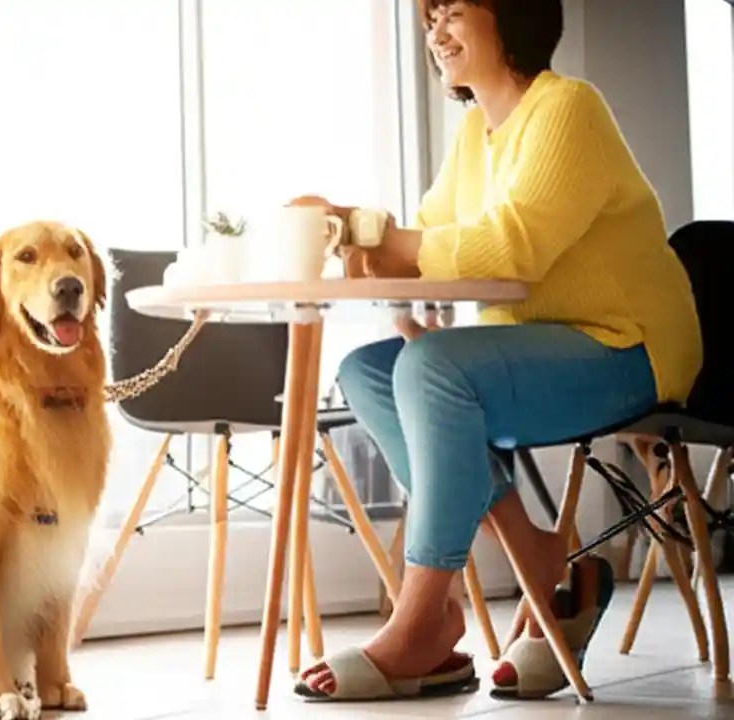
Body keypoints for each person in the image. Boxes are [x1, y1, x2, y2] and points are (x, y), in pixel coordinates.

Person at [289, 0, 702, 702]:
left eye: (452, 13)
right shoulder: (475, 139)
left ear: (510, 16)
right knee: (369, 373)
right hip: (538, 350)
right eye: (429, 21)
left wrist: (397, 246)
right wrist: (363, 240)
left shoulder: (568, 109)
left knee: (431, 368)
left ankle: (423, 617)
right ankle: (534, 555)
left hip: (626, 346)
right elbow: (427, 239)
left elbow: (514, 245)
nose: (436, 34)